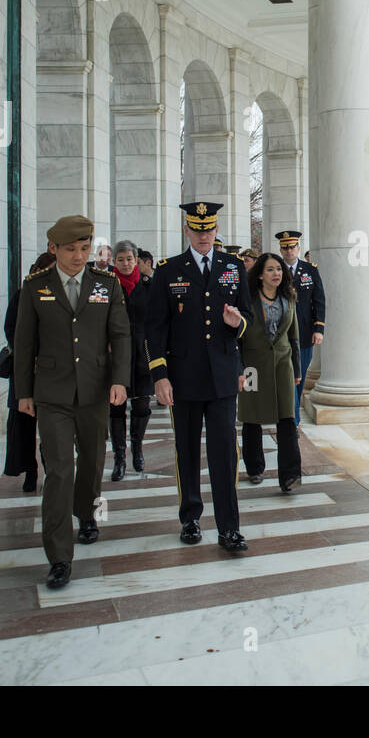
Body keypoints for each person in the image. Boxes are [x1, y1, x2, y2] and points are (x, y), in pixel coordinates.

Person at [14, 215, 131, 590]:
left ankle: (87, 511)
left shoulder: (106, 283)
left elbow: (121, 333)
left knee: (94, 460)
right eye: (71, 249)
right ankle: (60, 556)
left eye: (84, 248)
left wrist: (120, 380)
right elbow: (24, 344)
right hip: (52, 393)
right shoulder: (35, 287)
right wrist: (23, 392)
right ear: (54, 249)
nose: (79, 256)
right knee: (60, 470)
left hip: (95, 389)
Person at [145, 201, 253, 553]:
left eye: (209, 229)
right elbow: (155, 328)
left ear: (217, 230)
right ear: (187, 230)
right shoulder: (168, 270)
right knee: (187, 450)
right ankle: (190, 517)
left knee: (224, 452)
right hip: (184, 376)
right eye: (197, 229)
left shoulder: (233, 267)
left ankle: (229, 528)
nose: (204, 235)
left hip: (222, 376)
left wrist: (238, 324)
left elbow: (247, 318)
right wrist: (159, 376)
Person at [238, 253, 303, 492]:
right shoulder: (247, 299)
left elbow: (293, 336)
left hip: (282, 366)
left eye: (278, 269)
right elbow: (238, 339)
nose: (276, 273)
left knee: (287, 419)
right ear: (259, 275)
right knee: (252, 417)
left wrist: (296, 370)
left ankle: (290, 476)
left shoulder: (289, 298)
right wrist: (239, 369)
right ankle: (255, 467)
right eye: (270, 270)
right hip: (252, 366)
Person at [4, 251, 55, 492]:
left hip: (52, 370)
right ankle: (30, 469)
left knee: (51, 424)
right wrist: (29, 356)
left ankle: (51, 468)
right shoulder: (23, 295)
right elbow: (11, 329)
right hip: (26, 370)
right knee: (24, 424)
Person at [109, 240, 153, 481]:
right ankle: (119, 457)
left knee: (142, 406)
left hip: (142, 353)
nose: (126, 263)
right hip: (116, 354)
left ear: (136, 260)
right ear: (114, 262)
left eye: (129, 259)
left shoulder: (149, 285)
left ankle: (137, 449)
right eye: (121, 259)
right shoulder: (105, 285)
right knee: (116, 407)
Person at [275, 230, 325, 425]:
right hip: (281, 333)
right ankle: (291, 418)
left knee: (300, 375)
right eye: (285, 247)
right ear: (281, 250)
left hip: (304, 333)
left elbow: (319, 300)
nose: (289, 251)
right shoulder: (275, 269)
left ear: (298, 248)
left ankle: (291, 415)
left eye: (292, 247)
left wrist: (318, 328)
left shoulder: (310, 270)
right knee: (285, 376)